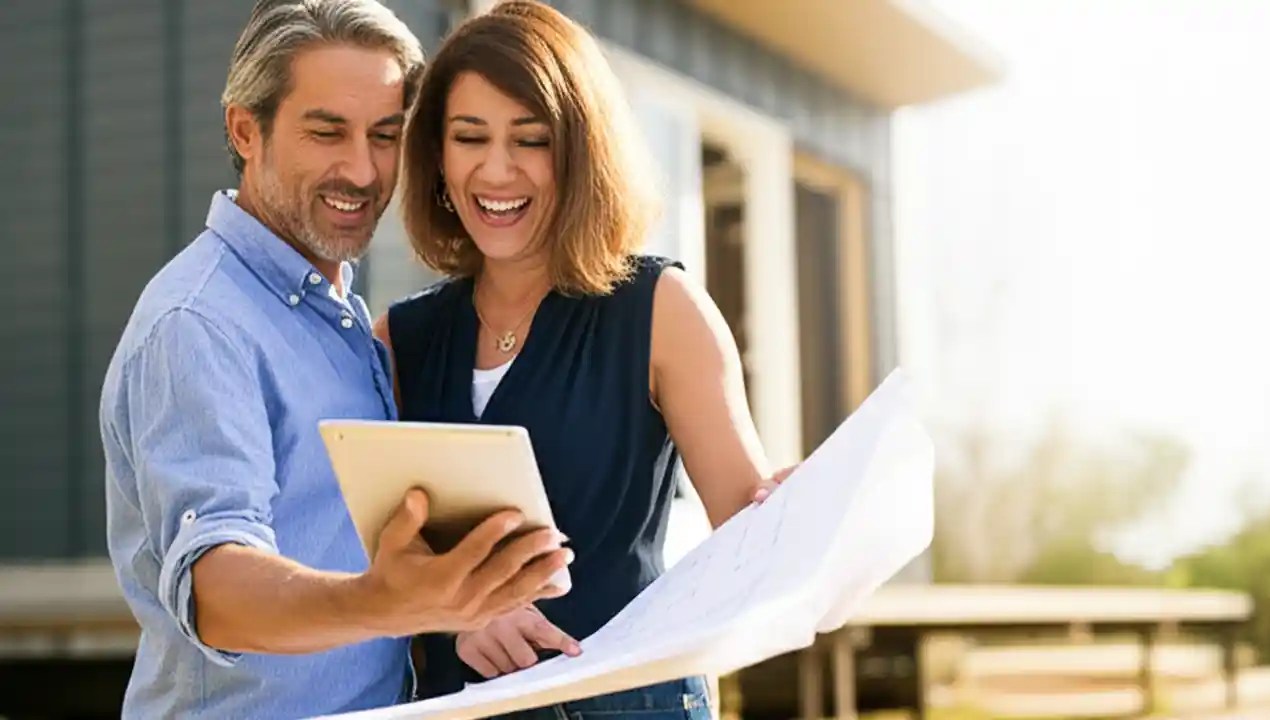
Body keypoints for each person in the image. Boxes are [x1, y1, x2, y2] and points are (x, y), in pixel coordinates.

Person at [98, 2, 572, 718]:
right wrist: (383, 603)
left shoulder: (336, 315)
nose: (362, 169)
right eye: (327, 132)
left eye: (385, 136)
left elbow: (341, 551)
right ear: (244, 130)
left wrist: (450, 605)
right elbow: (215, 589)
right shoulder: (200, 323)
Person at [374, 2, 791, 717]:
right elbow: (365, 565)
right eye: (469, 136)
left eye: (530, 140)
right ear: (438, 158)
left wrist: (795, 508)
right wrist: (453, 611)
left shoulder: (661, 309)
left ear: (580, 152)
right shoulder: (397, 342)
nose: (496, 170)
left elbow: (750, 532)